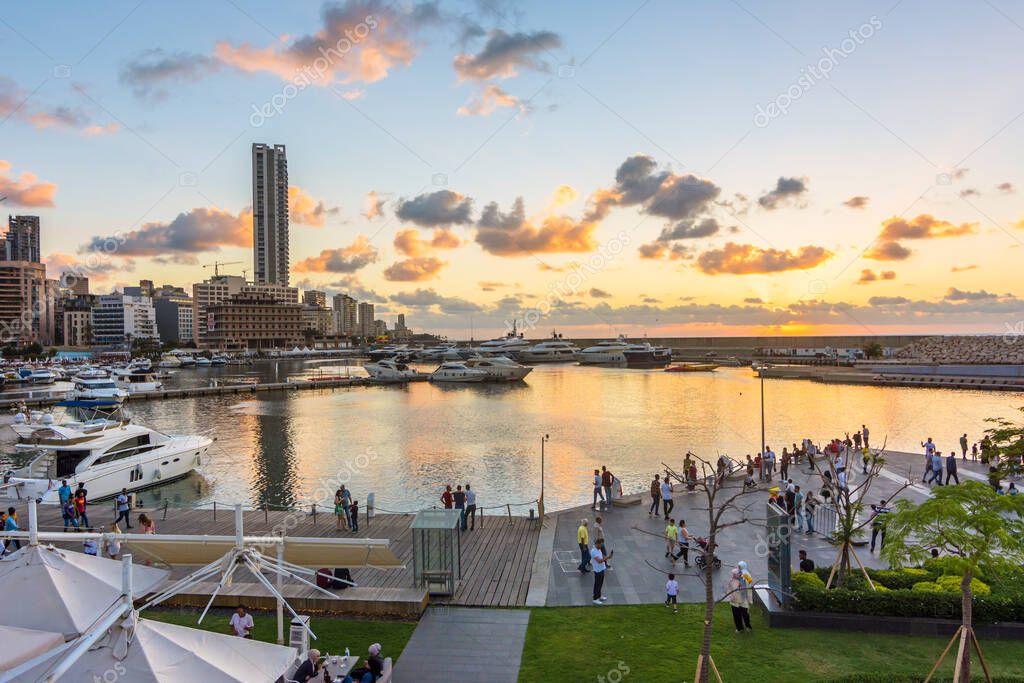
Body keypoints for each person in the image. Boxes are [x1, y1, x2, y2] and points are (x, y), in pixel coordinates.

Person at [727, 562, 753, 633]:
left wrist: (750, 600)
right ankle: (739, 628)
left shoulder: (746, 576)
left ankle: (748, 626)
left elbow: (749, 588)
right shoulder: (732, 580)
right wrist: (731, 597)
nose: (734, 575)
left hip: (744, 600)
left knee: (745, 614)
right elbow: (729, 590)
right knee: (736, 615)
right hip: (734, 601)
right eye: (734, 574)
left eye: (736, 574)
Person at [590, 540, 611, 605]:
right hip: (597, 570)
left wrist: (608, 557)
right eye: (600, 544)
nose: (601, 546)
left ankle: (599, 595)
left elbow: (603, 556)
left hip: (601, 569)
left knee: (600, 583)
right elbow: (599, 561)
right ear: (597, 544)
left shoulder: (598, 549)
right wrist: (607, 557)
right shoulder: (593, 551)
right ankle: (595, 598)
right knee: (597, 584)